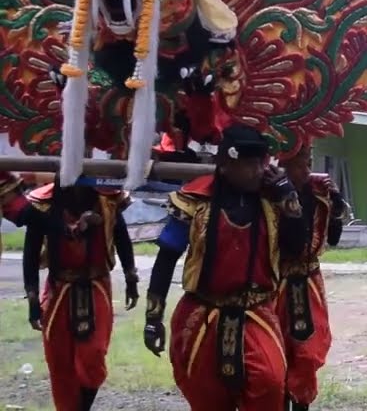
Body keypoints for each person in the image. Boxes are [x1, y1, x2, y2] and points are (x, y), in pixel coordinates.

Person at [143, 123, 308, 411]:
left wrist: (288, 196)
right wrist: (153, 317)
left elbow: (296, 249)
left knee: (269, 383)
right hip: (203, 313)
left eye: (261, 163)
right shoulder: (193, 201)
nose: (258, 171)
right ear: (226, 164)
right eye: (249, 164)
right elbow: (167, 256)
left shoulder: (273, 200)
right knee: (204, 395)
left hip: (256, 313)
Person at [23, 182, 138, 410]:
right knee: (59, 359)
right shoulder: (44, 204)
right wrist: (33, 299)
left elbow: (122, 239)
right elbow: (31, 251)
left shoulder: (107, 200)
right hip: (59, 289)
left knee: (93, 354)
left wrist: (131, 278)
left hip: (96, 286)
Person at [276, 145, 348, 411]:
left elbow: (334, 238)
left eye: (308, 163)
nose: (306, 170)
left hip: (308, 282)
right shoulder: (270, 196)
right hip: (276, 282)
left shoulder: (318, 194)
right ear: (282, 165)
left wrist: (337, 205)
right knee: (278, 350)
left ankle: (302, 404)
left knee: (307, 352)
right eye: (299, 164)